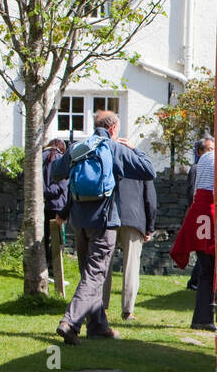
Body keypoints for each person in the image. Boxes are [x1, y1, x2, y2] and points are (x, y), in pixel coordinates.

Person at [51, 110, 156, 343]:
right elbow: (149, 170)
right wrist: (132, 148)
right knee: (95, 274)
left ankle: (98, 326)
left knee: (89, 273)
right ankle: (70, 322)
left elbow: (55, 172)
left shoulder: (78, 148)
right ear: (113, 129)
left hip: (79, 221)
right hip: (105, 220)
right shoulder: (114, 147)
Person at [172, 136, 215, 330]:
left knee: (206, 270)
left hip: (198, 212)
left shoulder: (203, 160)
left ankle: (202, 317)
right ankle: (209, 316)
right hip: (213, 210)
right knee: (215, 271)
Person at [104, 169, 158, 320]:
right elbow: (150, 199)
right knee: (131, 266)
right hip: (134, 218)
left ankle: (101, 308)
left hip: (109, 217)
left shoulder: (109, 156)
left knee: (104, 264)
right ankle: (128, 311)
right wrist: (150, 226)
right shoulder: (138, 163)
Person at [184, 137, 211, 292]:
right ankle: (195, 281)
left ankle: (195, 280)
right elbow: (192, 191)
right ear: (200, 152)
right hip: (200, 214)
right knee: (203, 251)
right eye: (208, 149)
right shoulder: (196, 168)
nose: (211, 153)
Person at [43, 138, 68, 297]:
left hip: (42, 204)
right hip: (58, 205)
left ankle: (44, 270)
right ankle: (54, 273)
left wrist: (43, 194)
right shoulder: (60, 159)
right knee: (58, 240)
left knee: (45, 239)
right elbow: (63, 185)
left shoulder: (38, 157)